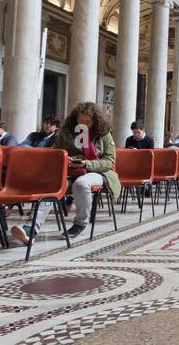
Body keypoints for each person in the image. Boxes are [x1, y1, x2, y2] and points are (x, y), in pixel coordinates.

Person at [11, 101, 120, 245]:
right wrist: (65, 158)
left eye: (88, 122)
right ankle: (30, 230)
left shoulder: (103, 133)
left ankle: (80, 223)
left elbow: (109, 161)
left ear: (95, 120)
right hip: (70, 170)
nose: (84, 124)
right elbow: (55, 153)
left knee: (81, 184)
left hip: (98, 171)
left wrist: (87, 163)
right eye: (81, 121)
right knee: (52, 186)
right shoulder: (66, 132)